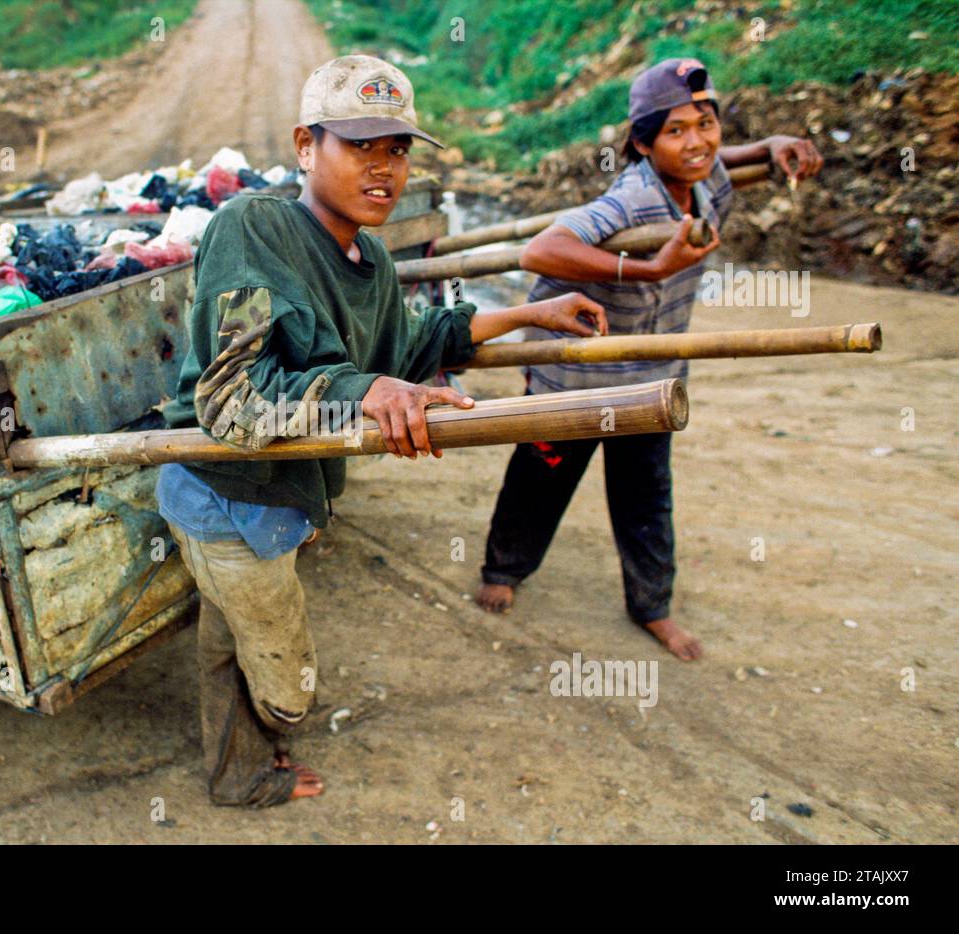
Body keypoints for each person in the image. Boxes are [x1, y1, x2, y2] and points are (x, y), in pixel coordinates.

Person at [157, 55, 608, 808]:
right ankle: (272, 734)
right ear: (306, 146)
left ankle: (238, 774)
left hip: (283, 501)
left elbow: (415, 339)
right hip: (228, 496)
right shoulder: (252, 230)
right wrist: (365, 394)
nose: (385, 169)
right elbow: (231, 398)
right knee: (286, 679)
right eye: (360, 146)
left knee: (225, 641)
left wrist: (533, 313)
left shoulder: (371, 262)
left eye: (397, 149)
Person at [475, 58, 824, 661]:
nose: (697, 142)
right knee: (541, 477)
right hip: (575, 374)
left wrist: (774, 145)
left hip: (652, 379)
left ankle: (652, 607)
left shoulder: (709, 178)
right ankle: (502, 571)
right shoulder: (633, 198)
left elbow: (726, 160)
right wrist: (646, 269)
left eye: (706, 123)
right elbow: (540, 250)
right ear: (642, 143)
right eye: (675, 131)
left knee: (646, 496)